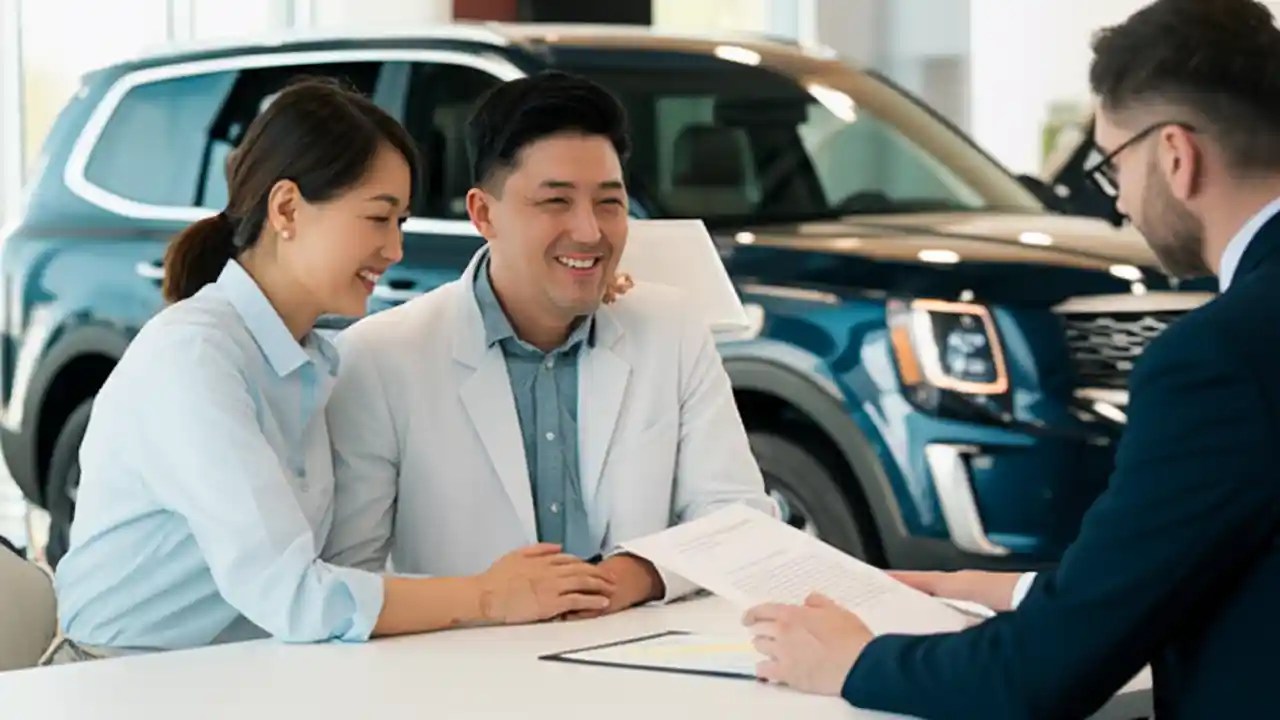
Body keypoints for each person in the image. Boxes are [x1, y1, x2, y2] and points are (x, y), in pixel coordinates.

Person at [743, 1, 1280, 717]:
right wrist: (1014, 587)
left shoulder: (1219, 357)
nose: (1117, 200)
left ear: (1177, 156)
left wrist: (851, 661)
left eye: (1112, 163)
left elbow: (1037, 677)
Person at [48, 78, 616, 664]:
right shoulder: (194, 360)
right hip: (120, 682)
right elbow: (294, 594)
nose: (395, 249)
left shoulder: (313, 360)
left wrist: (576, 289)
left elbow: (339, 574)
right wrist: (486, 597)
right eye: (379, 218)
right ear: (287, 209)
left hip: (251, 671)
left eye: (401, 222)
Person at [323, 71, 776, 615]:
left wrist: (633, 576)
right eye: (556, 202)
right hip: (465, 674)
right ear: (483, 213)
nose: (589, 231)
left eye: (609, 203)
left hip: (641, 664)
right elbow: (349, 575)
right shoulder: (382, 357)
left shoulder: (670, 328)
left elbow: (741, 518)